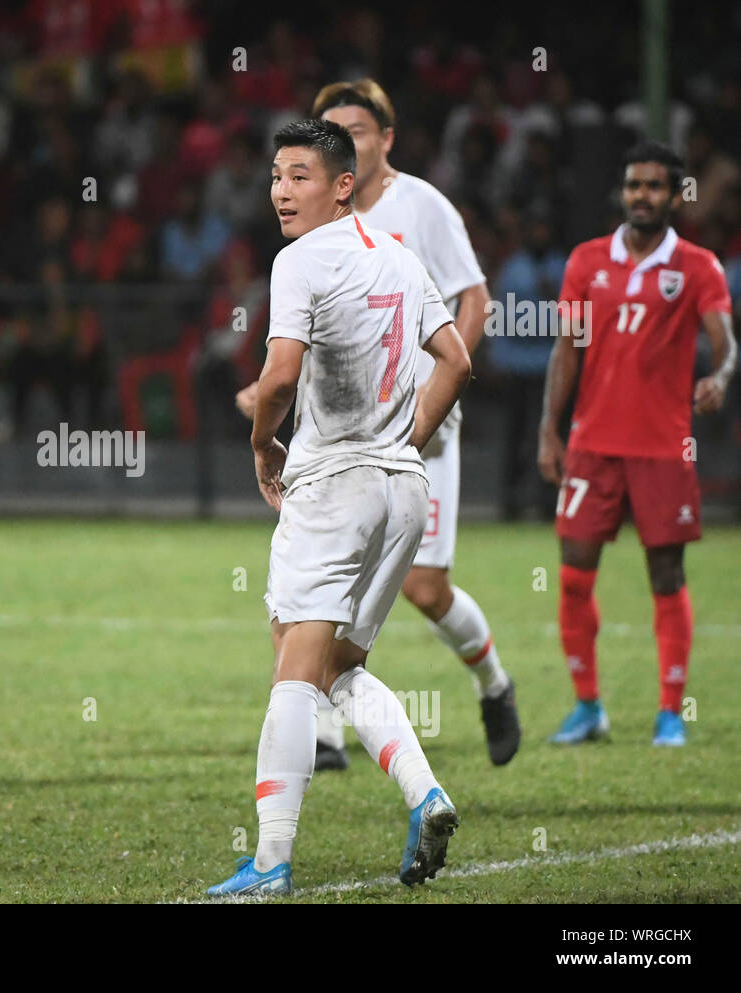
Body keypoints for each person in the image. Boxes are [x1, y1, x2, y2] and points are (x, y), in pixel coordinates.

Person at [208, 119, 471, 896]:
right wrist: (409, 439)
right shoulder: (396, 256)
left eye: (299, 176)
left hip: (332, 487)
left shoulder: (298, 262)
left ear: (342, 184)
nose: (282, 191)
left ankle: (270, 862)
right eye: (276, 176)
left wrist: (264, 444)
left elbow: (280, 377)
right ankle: (426, 792)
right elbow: (455, 361)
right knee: (341, 665)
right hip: (401, 491)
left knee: (292, 668)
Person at [237, 79, 518, 769]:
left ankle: (493, 683)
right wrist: (274, 387)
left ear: (382, 140)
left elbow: (473, 299)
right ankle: (329, 740)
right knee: (327, 600)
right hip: (348, 443)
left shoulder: (419, 209)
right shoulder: (322, 234)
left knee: (417, 588)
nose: (344, 144)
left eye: (355, 132)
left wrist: (420, 412)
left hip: (414, 430)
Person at [538, 141, 735, 747]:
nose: (640, 196)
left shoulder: (698, 266)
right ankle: (587, 706)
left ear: (677, 196)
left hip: (663, 447)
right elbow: (566, 348)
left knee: (666, 575)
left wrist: (719, 378)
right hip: (593, 441)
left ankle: (670, 711)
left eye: (653, 187)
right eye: (633, 185)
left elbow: (725, 341)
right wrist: (550, 428)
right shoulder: (586, 260)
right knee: (572, 575)